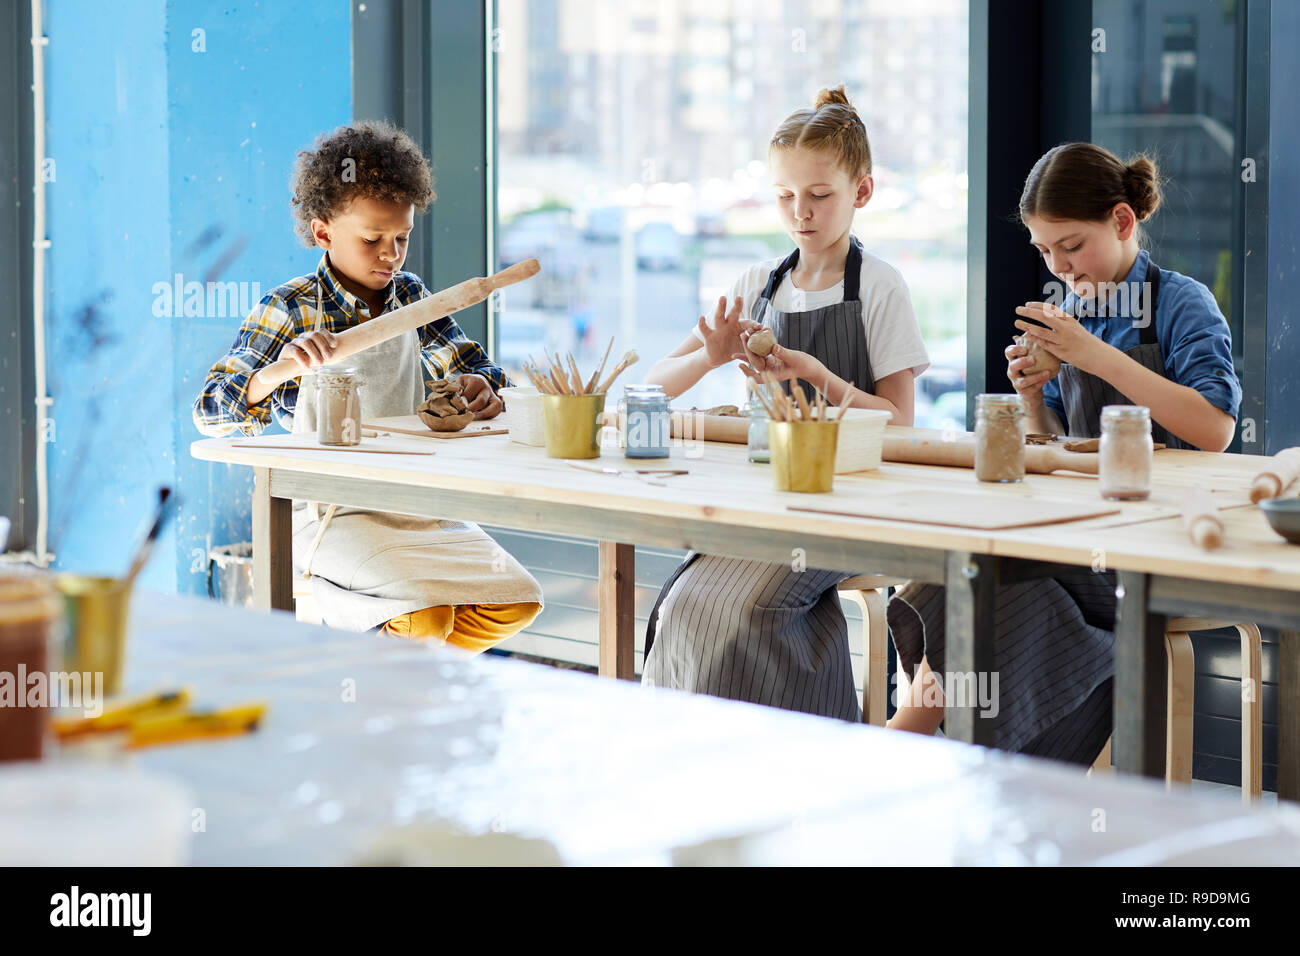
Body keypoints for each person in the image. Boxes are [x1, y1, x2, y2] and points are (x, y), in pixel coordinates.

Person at [887, 142, 1242, 763]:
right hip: (1081, 532)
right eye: (1045, 252)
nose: (1060, 266)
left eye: (1071, 246)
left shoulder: (1181, 304)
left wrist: (1093, 354)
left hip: (1166, 540)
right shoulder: (1068, 314)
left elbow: (1215, 429)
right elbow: (1052, 440)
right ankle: (966, 762)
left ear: (1123, 221)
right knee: (977, 574)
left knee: (996, 585)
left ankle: (913, 750)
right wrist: (1028, 399)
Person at [193, 121, 542, 652]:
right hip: (330, 513)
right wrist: (277, 372)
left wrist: (482, 391)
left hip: (419, 502)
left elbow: (487, 377)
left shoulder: (413, 297)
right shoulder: (291, 305)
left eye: (401, 237)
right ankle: (388, 670)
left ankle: (399, 670)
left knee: (515, 599)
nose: (391, 254)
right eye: (372, 239)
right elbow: (211, 412)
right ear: (324, 232)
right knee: (423, 619)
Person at [640, 86, 930, 720]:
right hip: (767, 496)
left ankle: (807, 755)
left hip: (850, 504)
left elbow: (901, 423)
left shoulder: (880, 286)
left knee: (749, 608)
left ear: (862, 192)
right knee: (682, 603)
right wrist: (710, 357)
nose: (802, 212)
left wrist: (821, 377)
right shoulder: (756, 286)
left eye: (820, 195)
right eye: (785, 196)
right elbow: (651, 388)